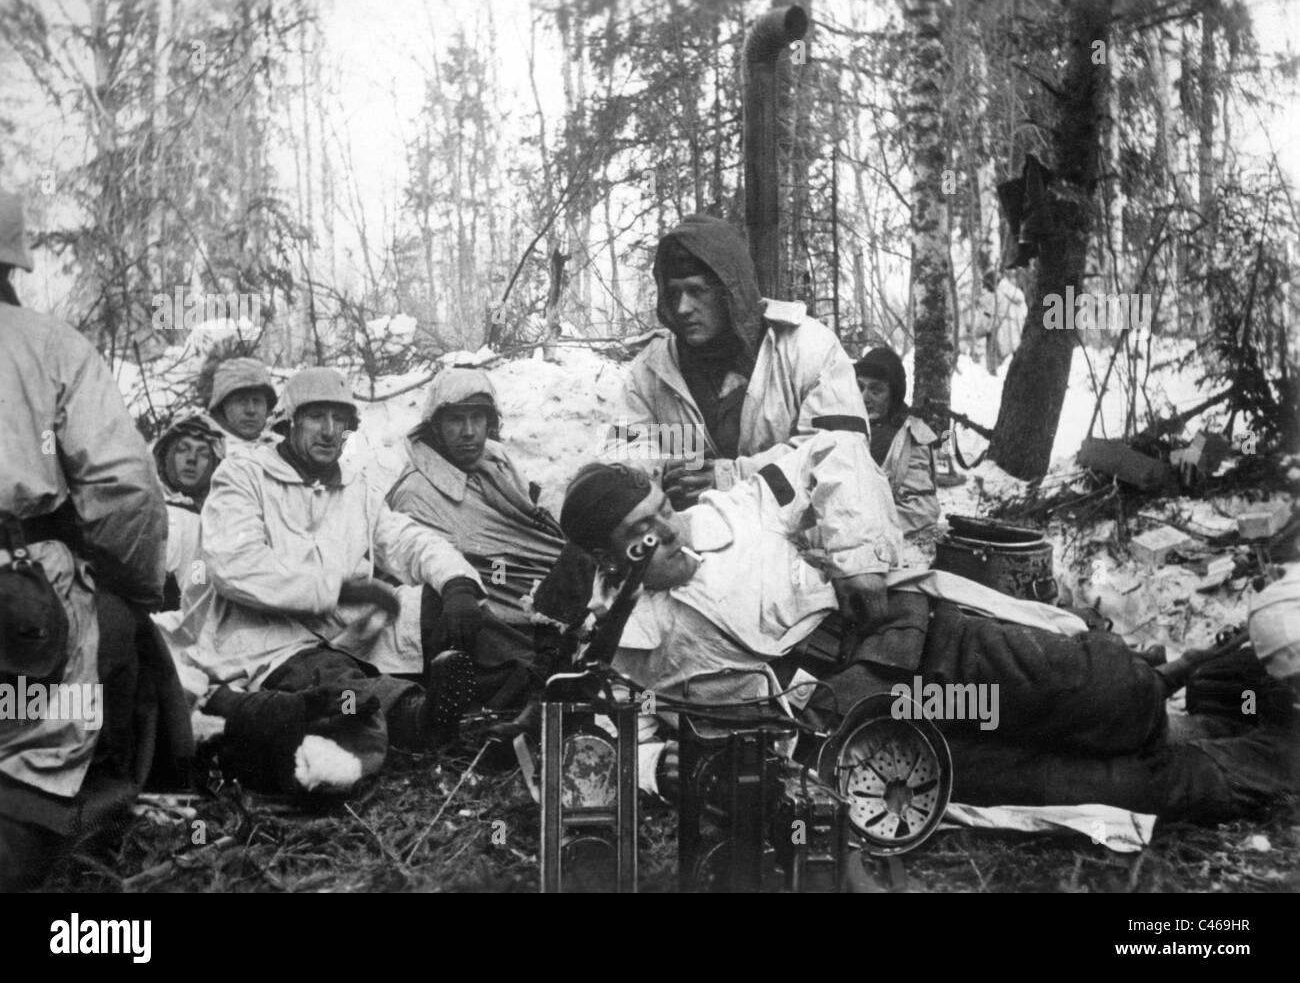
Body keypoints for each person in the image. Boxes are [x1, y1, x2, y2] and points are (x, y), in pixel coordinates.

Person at [557, 434, 1299, 823]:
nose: (670, 534)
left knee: (1111, 695)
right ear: (606, 556)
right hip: (857, 731)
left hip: (913, 643)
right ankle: (1263, 755)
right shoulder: (623, 640)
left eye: (662, 510)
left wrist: (856, 559)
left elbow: (837, 451)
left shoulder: (732, 509)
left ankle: (1214, 678)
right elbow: (586, 747)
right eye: (642, 534)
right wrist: (657, 771)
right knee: (1082, 782)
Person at [189, 367, 532, 794]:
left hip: (350, 630)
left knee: (445, 609)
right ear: (290, 422)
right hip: (269, 642)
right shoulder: (243, 476)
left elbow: (406, 539)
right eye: (317, 417)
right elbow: (235, 565)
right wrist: (341, 590)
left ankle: (524, 689)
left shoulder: (354, 486)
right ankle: (423, 718)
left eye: (340, 421)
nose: (330, 432)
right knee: (336, 687)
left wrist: (456, 582)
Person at [0, 189, 184, 889]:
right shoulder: (49, 347)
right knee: (28, 771)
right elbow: (125, 488)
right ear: (12, 261)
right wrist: (133, 587)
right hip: (22, 594)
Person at [615, 214, 882, 513]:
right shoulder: (652, 368)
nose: (683, 308)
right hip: (695, 539)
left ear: (730, 291)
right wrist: (662, 472)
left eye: (696, 291)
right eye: (674, 293)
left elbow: (841, 453)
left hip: (796, 540)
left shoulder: (809, 347)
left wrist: (730, 477)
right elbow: (622, 447)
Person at [386, 368, 565, 628]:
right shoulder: (415, 492)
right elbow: (423, 566)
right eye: (456, 420)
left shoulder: (495, 458)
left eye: (477, 418)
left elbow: (527, 515)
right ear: (436, 426)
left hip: (529, 576)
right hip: (491, 606)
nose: (469, 431)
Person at [854, 347, 941, 541]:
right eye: (859, 387)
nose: (864, 397)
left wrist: (861, 530)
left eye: (876, 390)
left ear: (894, 395)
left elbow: (921, 511)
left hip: (888, 545)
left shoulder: (908, 439)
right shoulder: (848, 426)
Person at [152, 413, 224, 611]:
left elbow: (198, 581)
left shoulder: (214, 519)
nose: (192, 459)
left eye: (202, 453)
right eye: (183, 450)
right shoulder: (145, 504)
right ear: (166, 456)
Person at [202, 356, 279, 457]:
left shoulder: (279, 449)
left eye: (257, 401)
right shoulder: (204, 449)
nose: (251, 410)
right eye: (241, 401)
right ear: (222, 406)